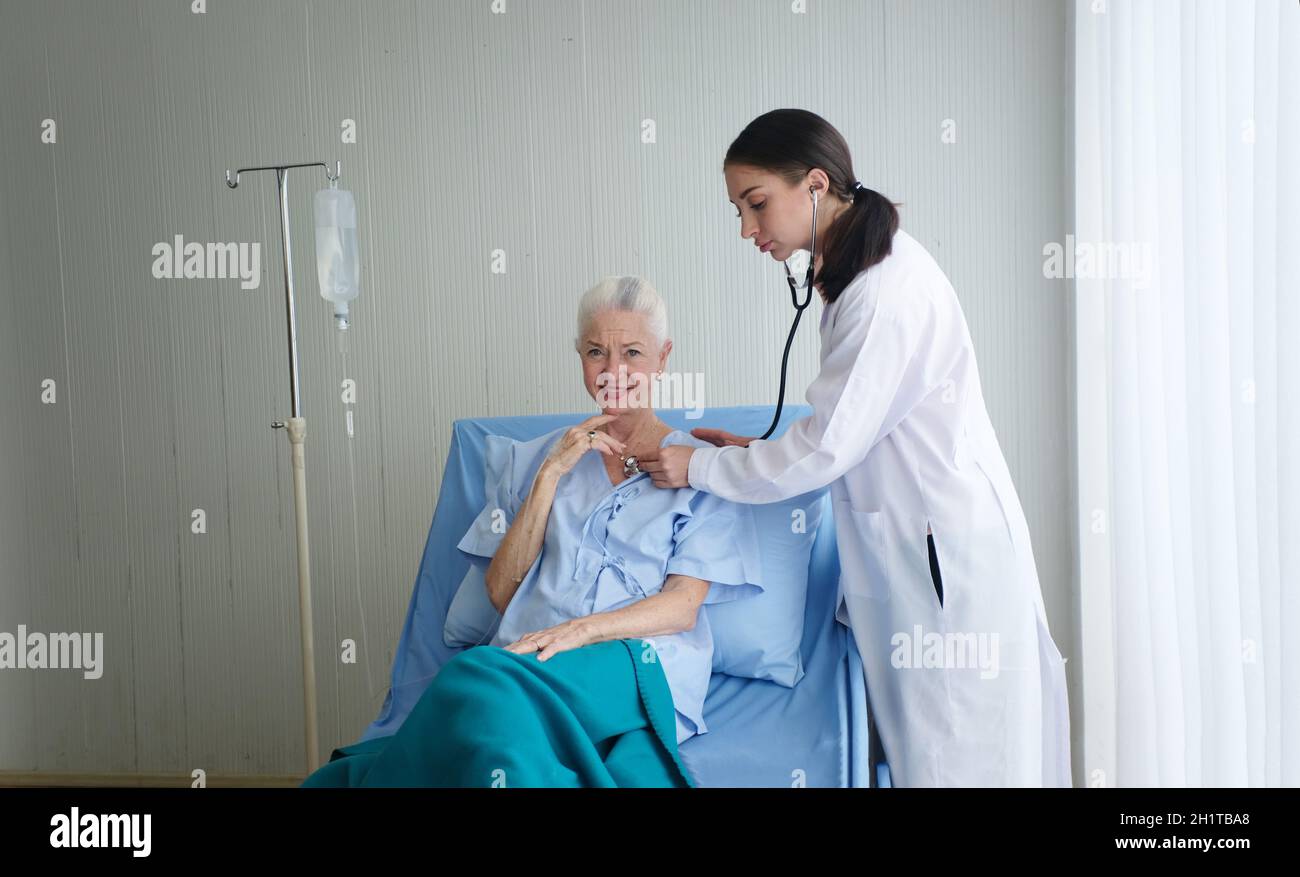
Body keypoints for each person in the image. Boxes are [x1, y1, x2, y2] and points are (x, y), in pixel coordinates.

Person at [637, 109, 1071, 787]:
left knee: (958, 760)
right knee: (939, 756)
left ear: (814, 185)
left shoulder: (881, 292)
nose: (748, 229)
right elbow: (854, 431)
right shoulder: (862, 269)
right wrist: (756, 449)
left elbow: (824, 450)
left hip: (944, 570)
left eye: (756, 204)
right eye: (738, 211)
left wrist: (699, 464)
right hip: (922, 554)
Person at [301, 276, 763, 788]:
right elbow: (500, 592)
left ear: (663, 358)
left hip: (639, 661)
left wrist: (584, 630)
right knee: (492, 708)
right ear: (579, 358)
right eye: (595, 352)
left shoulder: (701, 470)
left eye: (632, 352)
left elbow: (682, 606)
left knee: (474, 683)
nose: (614, 372)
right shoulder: (535, 460)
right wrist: (550, 475)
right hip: (533, 659)